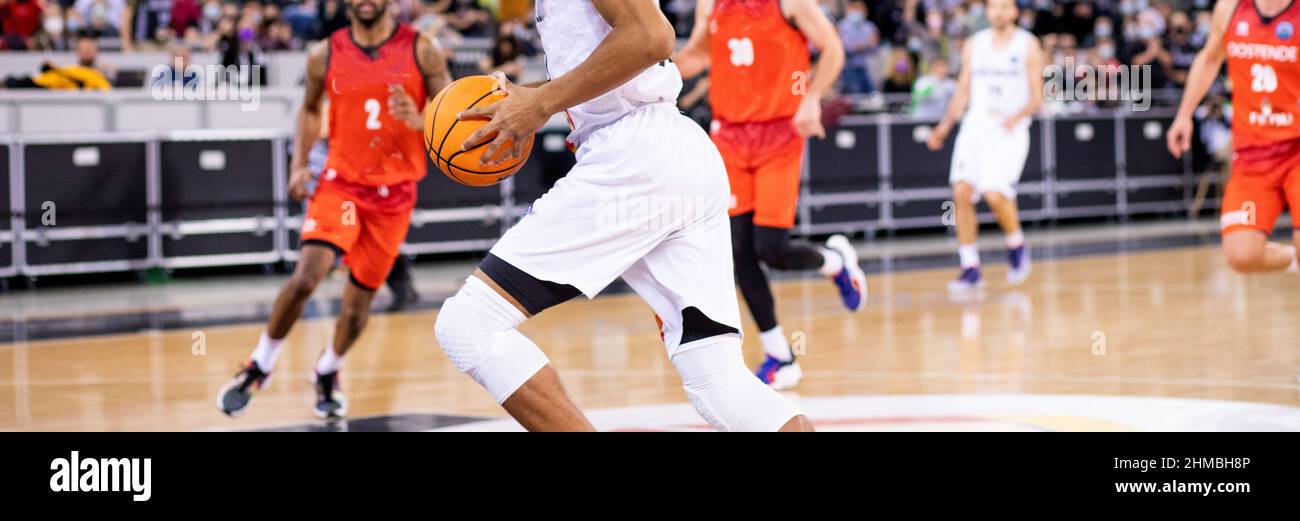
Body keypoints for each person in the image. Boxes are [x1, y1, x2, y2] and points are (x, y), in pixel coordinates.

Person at [434, 0, 812, 432]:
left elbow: (651, 36)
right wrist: (530, 97)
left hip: (634, 154)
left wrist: (538, 106)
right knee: (718, 380)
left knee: (468, 324)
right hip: (669, 153)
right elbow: (608, 63)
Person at [217, 0, 452, 419]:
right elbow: (309, 110)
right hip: (340, 184)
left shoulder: (423, 49)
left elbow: (449, 112)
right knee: (307, 275)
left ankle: (328, 369)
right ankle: (261, 364)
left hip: (394, 194)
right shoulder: (323, 54)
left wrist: (419, 120)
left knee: (356, 306)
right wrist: (297, 164)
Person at [675, 0, 864, 390]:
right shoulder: (710, 5)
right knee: (739, 250)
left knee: (771, 248)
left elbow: (832, 48)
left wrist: (812, 98)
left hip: (779, 133)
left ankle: (834, 261)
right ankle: (780, 353)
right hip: (729, 135)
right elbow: (699, 53)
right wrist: (651, 74)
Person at [1168, 0, 1300, 277]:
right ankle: (1293, 258)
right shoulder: (1230, 7)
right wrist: (1184, 115)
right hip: (1252, 153)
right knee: (1243, 255)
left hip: (1296, 147)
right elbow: (1210, 58)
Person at [926, 0, 1043, 293]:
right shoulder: (974, 44)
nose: (999, 12)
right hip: (975, 127)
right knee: (961, 192)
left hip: (1009, 130)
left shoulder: (1027, 45)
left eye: (1005, 7)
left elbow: (1037, 96)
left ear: (1015, 11)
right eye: (994, 7)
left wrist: (1015, 116)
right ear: (987, 11)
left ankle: (1016, 245)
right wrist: (944, 127)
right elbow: (963, 91)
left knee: (993, 194)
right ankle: (970, 267)